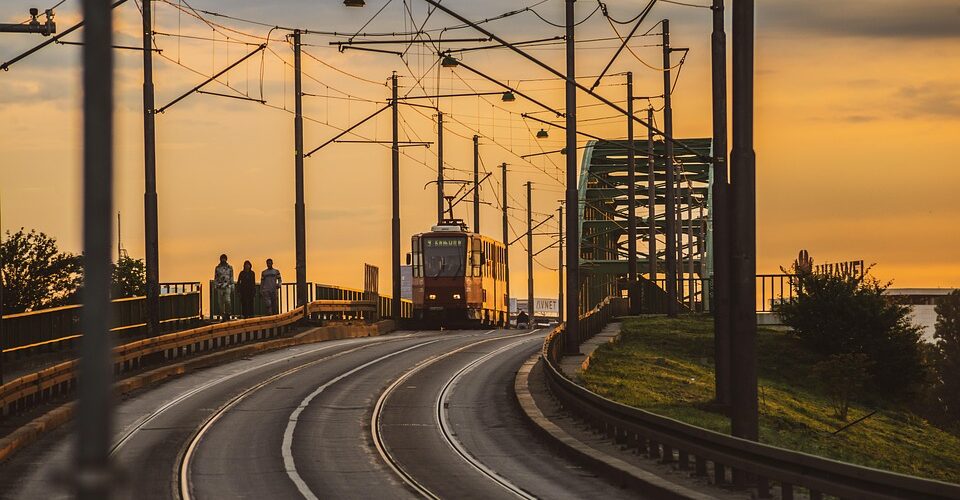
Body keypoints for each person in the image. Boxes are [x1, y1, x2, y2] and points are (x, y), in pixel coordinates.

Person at [214, 254, 234, 322]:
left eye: (224, 259)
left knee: (227, 301)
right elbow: (216, 277)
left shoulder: (230, 267)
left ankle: (228, 313)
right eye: (222, 259)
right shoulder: (217, 268)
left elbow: (231, 277)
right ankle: (223, 316)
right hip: (220, 286)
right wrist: (215, 285)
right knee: (220, 303)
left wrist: (232, 285)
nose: (223, 260)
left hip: (227, 286)